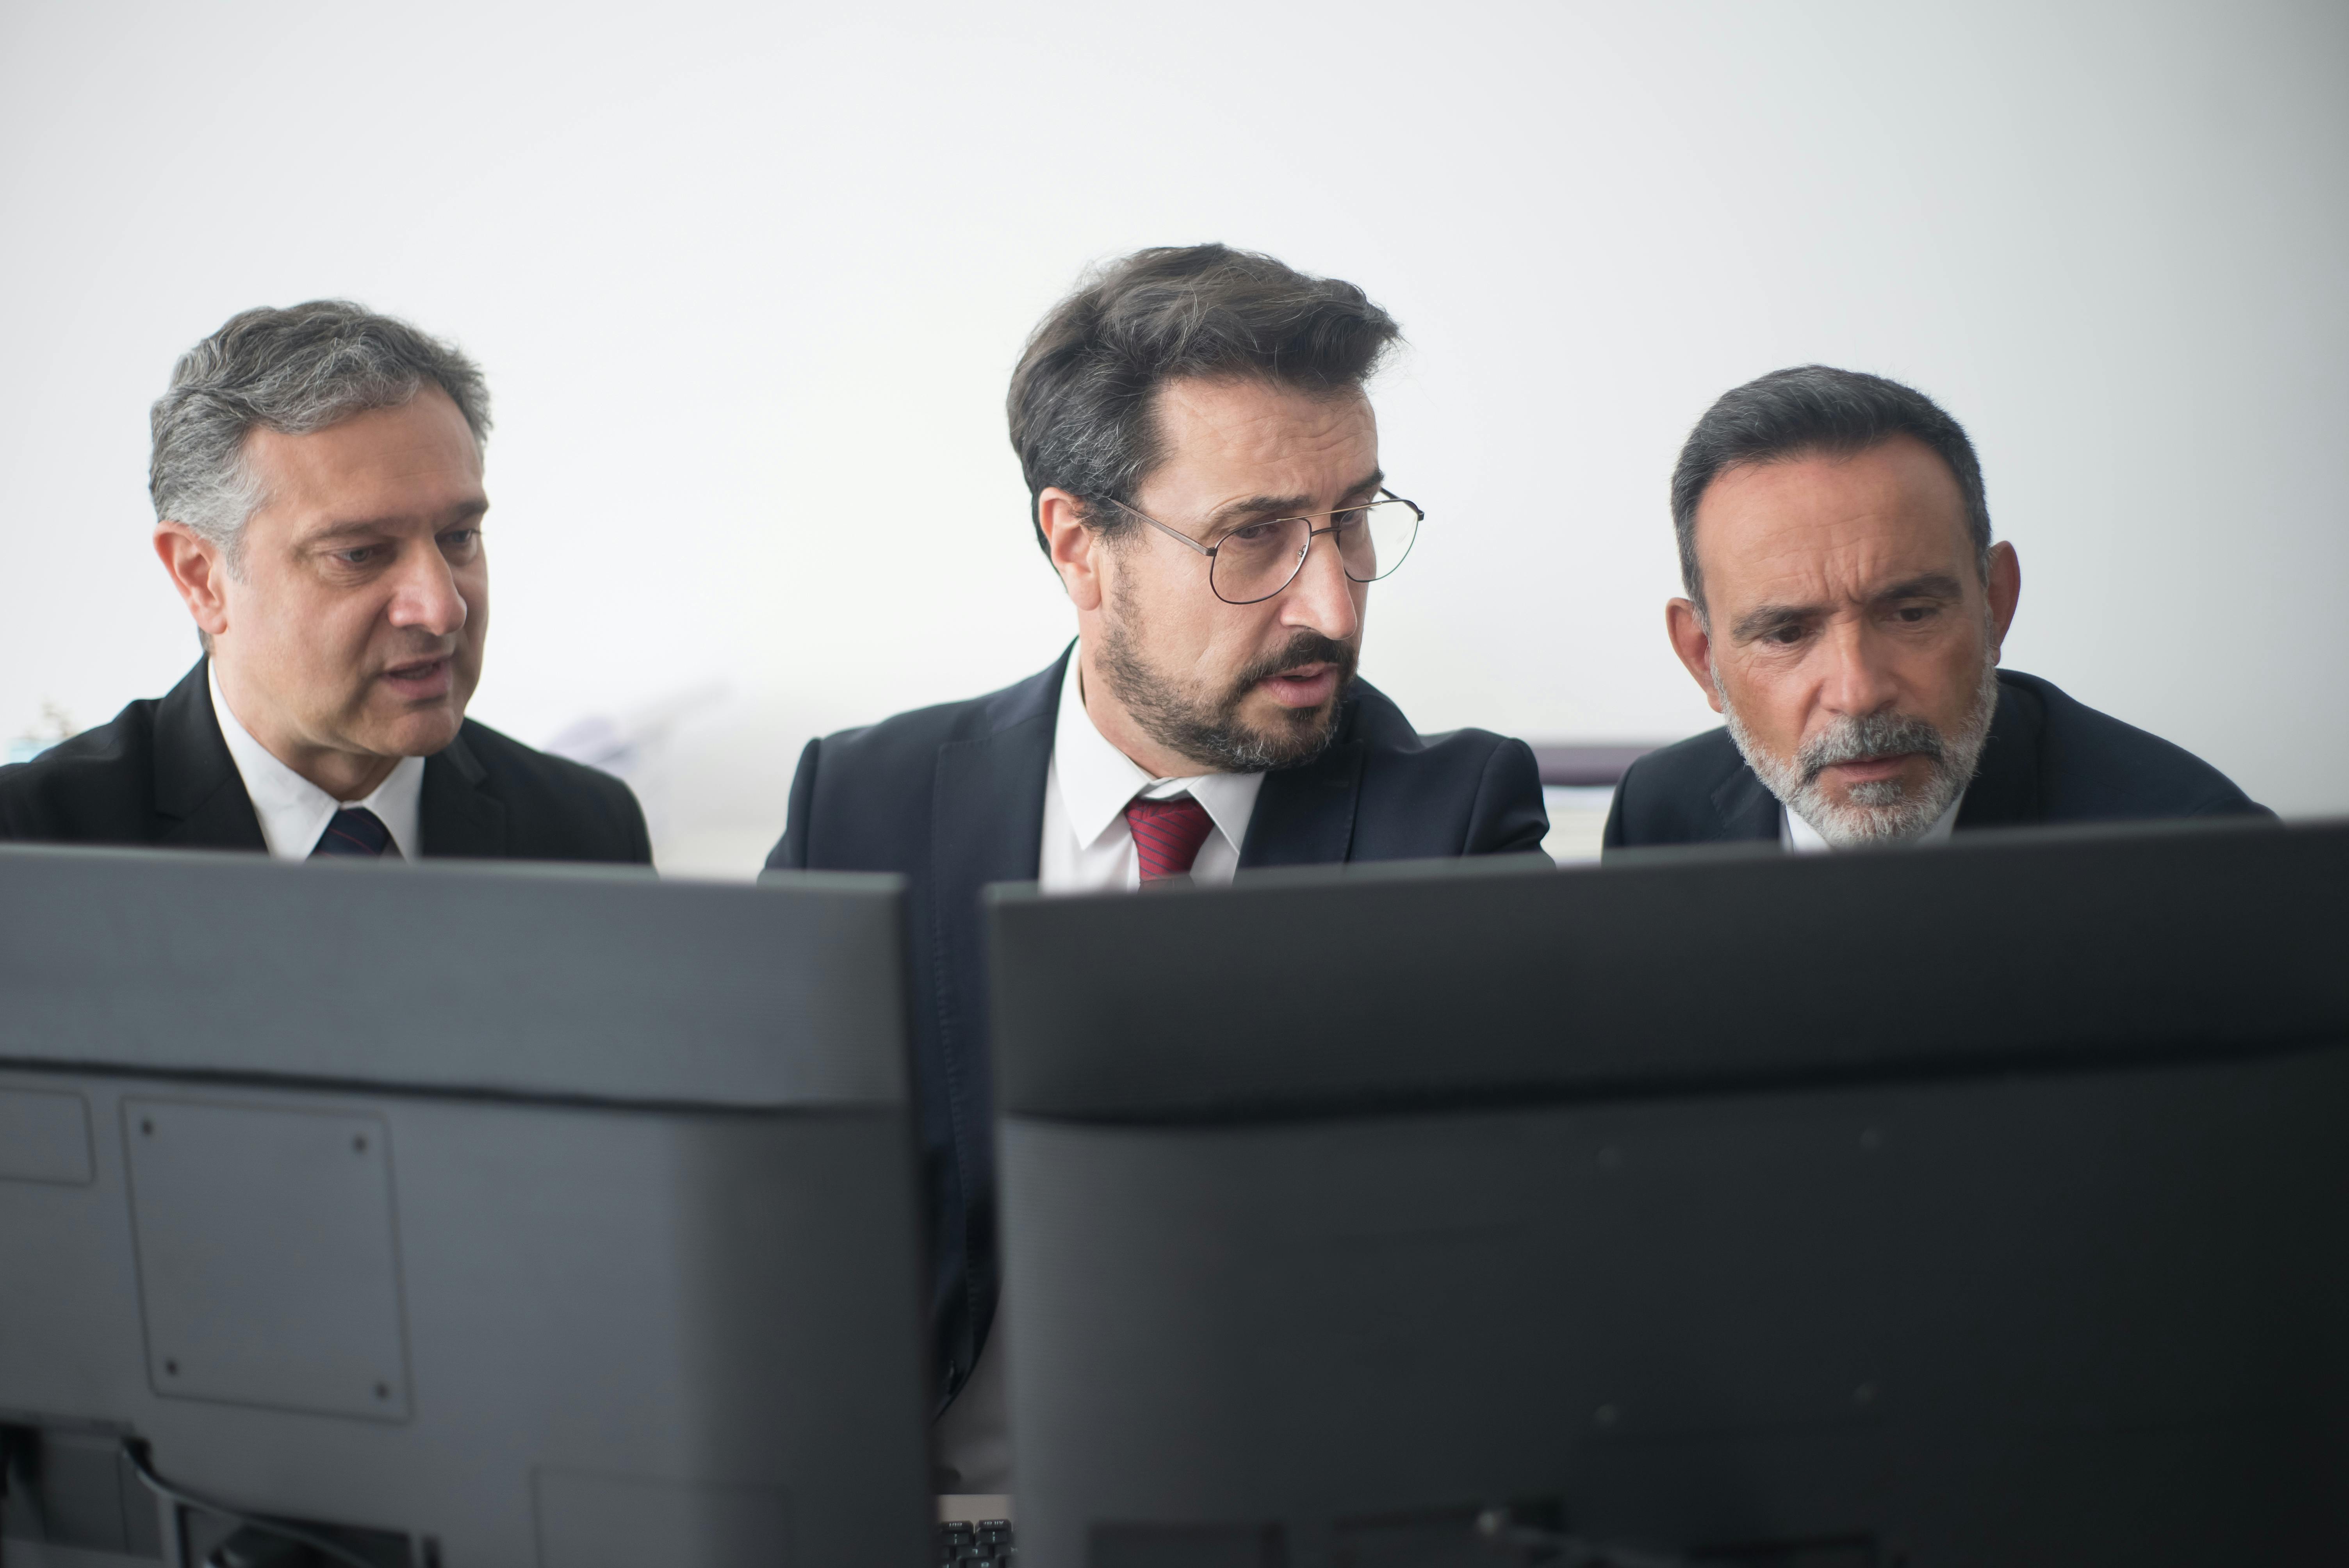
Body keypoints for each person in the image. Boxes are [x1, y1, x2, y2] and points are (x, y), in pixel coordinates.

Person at [767, 245, 1549, 1478]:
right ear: (1078, 543)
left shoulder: (1452, 825)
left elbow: (1516, 1281)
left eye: (1352, 523)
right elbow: (765, 1244)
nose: (1335, 606)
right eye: (1256, 539)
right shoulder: (858, 811)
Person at [0, 301, 650, 864]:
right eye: (360, 554)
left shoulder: (587, 831)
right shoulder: (34, 842)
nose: (443, 608)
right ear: (200, 576)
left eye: (459, 538)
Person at [1605, 365, 2269, 852]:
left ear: (1994, 605)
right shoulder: (1659, 815)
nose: (1859, 693)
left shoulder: (2192, 847)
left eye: (1911, 614)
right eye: (1786, 633)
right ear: (1702, 658)